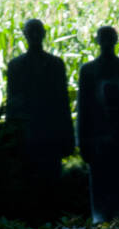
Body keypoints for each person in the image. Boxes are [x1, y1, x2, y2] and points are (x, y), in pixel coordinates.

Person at [77, 26, 119, 223]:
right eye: (103, 38)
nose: (106, 42)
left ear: (115, 40)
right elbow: (83, 109)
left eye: (110, 38)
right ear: (98, 41)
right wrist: (81, 141)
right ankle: (100, 222)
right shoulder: (88, 71)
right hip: (96, 137)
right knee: (99, 182)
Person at [5, 19, 74, 200]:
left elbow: (62, 102)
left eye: (38, 31)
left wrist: (68, 136)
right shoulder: (15, 66)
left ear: (43, 34)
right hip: (26, 136)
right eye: (31, 32)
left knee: (51, 186)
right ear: (25, 35)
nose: (35, 36)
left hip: (50, 135)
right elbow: (12, 104)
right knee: (28, 188)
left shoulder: (56, 65)